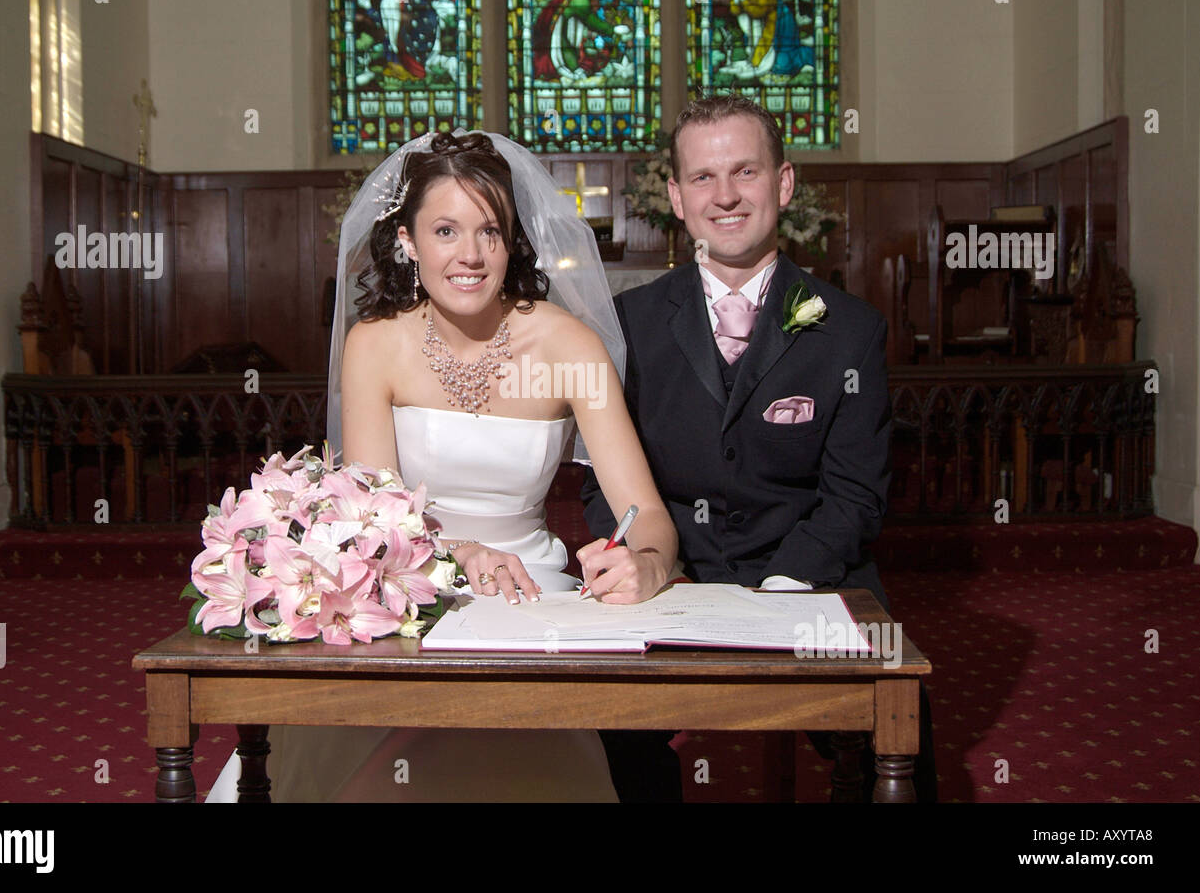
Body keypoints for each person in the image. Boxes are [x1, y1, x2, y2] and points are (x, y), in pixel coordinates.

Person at [206, 130, 679, 802]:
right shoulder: (375, 345)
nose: (470, 255)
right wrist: (458, 554)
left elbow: (646, 512)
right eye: (446, 230)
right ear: (407, 240)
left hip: (532, 590)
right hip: (407, 586)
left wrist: (648, 563)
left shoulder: (568, 344)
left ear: (512, 239)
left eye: (490, 231)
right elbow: (369, 520)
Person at [581, 94, 938, 803]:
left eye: (745, 172)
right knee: (603, 720)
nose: (726, 196)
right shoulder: (628, 325)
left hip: (812, 573)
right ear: (677, 198)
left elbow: (856, 498)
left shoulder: (851, 329)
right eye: (703, 178)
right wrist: (653, 565)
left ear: (783, 183)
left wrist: (781, 588)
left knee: (902, 727)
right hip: (672, 574)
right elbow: (602, 485)